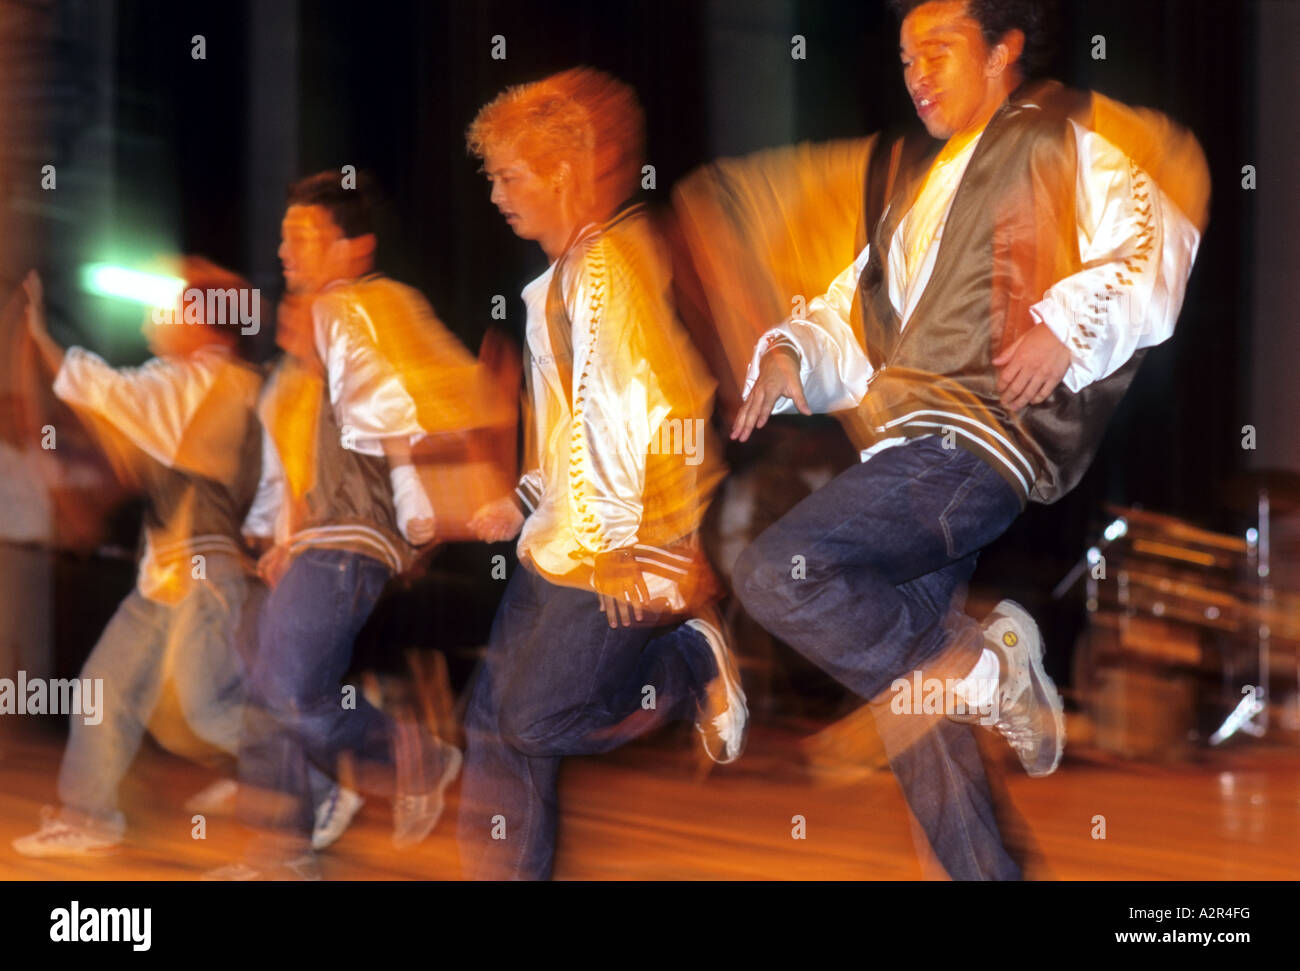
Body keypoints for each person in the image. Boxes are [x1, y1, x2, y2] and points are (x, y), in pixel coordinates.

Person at [729, 0, 1207, 879]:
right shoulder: (922, 195)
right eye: (907, 59)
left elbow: (1152, 234)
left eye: (938, 52)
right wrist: (795, 354)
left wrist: (1068, 324)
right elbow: (857, 306)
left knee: (777, 571)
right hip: (913, 448)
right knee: (917, 702)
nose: (915, 75)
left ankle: (988, 665)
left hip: (974, 443)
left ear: (1004, 50)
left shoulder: (1057, 132)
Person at [457, 68, 746, 880]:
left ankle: (688, 660)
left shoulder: (606, 272)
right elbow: (572, 434)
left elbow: (643, 408)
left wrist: (633, 547)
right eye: (493, 178)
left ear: (565, 175)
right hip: (560, 540)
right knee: (495, 729)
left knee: (533, 720)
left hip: (610, 547)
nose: (497, 196)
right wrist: (517, 501)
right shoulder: (560, 281)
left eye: (510, 177)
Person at [211, 173, 464, 879]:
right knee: (265, 679)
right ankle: (288, 849)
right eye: (282, 237)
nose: (284, 251)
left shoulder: (375, 305)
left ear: (352, 248)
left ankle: (409, 749)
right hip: (321, 541)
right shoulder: (302, 359)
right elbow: (295, 468)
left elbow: (438, 395)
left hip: (357, 536)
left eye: (300, 238)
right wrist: (283, 539)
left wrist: (426, 501)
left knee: (286, 688)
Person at [12, 262, 266, 857]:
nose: (161, 318)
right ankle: (91, 817)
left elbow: (99, 387)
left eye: (177, 307)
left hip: (204, 572)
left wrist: (41, 335)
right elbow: (122, 431)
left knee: (207, 714)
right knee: (103, 688)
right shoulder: (200, 382)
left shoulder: (201, 383)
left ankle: (316, 772)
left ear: (208, 325)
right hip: (168, 574)